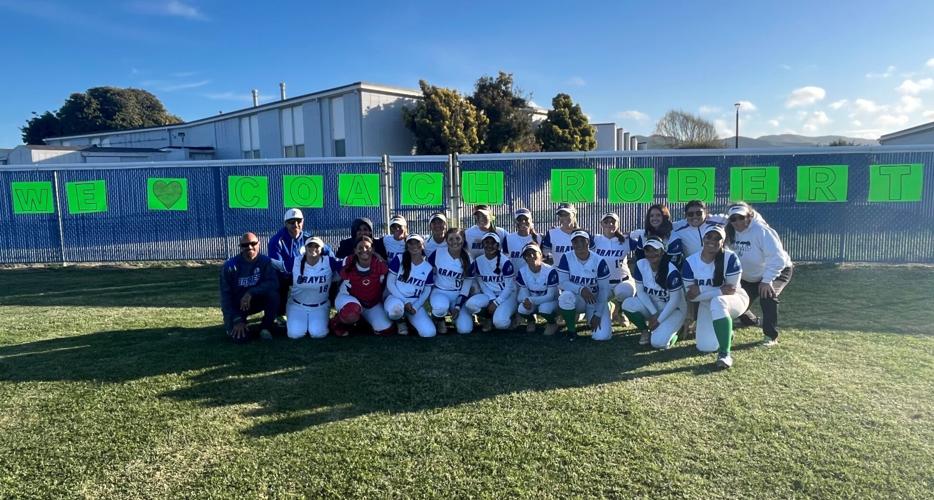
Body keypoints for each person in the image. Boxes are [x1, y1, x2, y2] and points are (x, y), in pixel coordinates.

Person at [725, 201, 794, 347]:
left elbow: (778, 259)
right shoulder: (728, 231)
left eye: (741, 217)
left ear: (749, 217)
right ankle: (751, 321)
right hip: (748, 276)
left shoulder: (762, 231)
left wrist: (767, 280)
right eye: (733, 219)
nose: (738, 222)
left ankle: (770, 336)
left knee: (767, 296)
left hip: (775, 272)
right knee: (736, 301)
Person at [682, 225, 750, 369]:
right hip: (707, 303)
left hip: (735, 300)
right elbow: (691, 297)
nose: (712, 241)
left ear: (722, 242)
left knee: (719, 302)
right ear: (703, 239)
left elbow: (730, 291)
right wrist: (717, 290)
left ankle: (725, 354)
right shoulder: (690, 262)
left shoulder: (730, 258)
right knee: (705, 347)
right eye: (709, 237)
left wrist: (701, 289)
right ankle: (727, 331)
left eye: (717, 238)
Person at [621, 237, 686, 348]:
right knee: (628, 304)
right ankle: (644, 331)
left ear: (662, 252)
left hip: (674, 310)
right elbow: (641, 292)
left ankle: (677, 331)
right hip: (655, 307)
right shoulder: (641, 265)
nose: (651, 254)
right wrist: (654, 313)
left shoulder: (671, 271)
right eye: (648, 250)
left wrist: (659, 320)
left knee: (658, 343)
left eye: (655, 250)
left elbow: (675, 301)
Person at [220, 232, 280, 343]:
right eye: (245, 245)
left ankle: (266, 326)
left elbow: (273, 283)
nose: (250, 247)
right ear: (240, 247)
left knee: (273, 294)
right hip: (238, 305)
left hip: (257, 300)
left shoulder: (265, 262)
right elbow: (226, 298)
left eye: (253, 243)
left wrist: (251, 292)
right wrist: (236, 320)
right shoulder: (230, 267)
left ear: (259, 244)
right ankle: (245, 326)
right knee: (240, 338)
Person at [332, 236, 394, 337]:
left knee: (386, 329)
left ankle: (362, 321)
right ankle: (338, 322)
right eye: (360, 248)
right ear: (355, 250)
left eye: (367, 247)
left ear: (373, 249)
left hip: (371, 303)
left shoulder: (380, 264)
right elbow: (331, 266)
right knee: (352, 312)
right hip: (349, 299)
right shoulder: (348, 262)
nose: (364, 250)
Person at [556, 230, 612, 341]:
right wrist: (580, 289)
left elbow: (604, 289)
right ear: (572, 244)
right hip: (577, 298)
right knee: (565, 297)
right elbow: (562, 282)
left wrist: (598, 314)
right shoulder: (566, 257)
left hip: (595, 299)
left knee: (602, 336)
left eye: (583, 241)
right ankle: (571, 331)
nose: (579, 244)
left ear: (588, 242)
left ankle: (607, 307)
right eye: (575, 242)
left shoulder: (599, 261)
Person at [286, 237, 343, 339]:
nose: (313, 248)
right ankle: (302, 322)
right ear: (305, 248)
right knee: (295, 334)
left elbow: (346, 264)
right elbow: (278, 265)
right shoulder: (295, 261)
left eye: (316, 246)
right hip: (297, 305)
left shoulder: (329, 261)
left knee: (318, 334)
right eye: (310, 245)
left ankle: (331, 322)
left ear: (322, 249)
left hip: (320, 305)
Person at [384, 234, 436, 337]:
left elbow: (426, 290)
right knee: (396, 311)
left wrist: (416, 307)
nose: (414, 246)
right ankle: (400, 320)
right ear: (406, 246)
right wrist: (405, 301)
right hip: (396, 298)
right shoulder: (399, 259)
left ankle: (410, 321)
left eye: (417, 243)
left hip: (414, 303)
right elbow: (390, 283)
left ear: (423, 246)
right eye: (410, 243)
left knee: (429, 333)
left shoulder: (428, 267)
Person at [465, 232, 517, 332]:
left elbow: (509, 287)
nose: (489, 245)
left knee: (500, 323)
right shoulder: (478, 261)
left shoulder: (505, 262)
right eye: (487, 242)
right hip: (489, 294)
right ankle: (488, 318)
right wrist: (492, 299)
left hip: (507, 295)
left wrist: (496, 302)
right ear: (482, 244)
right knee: (470, 305)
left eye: (493, 243)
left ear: (498, 245)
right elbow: (482, 283)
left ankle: (511, 315)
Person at [592, 212, 637, 327]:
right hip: (603, 283)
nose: (610, 224)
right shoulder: (596, 240)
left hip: (622, 281)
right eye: (606, 222)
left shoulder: (625, 240)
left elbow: (643, 245)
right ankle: (610, 306)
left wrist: (634, 233)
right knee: (596, 319)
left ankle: (621, 311)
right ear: (601, 224)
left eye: (613, 221)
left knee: (625, 292)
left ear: (618, 224)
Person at [427, 228, 475, 334]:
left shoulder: (469, 259)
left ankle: (459, 316)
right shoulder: (438, 253)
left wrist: (457, 307)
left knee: (465, 329)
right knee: (440, 308)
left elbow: (466, 288)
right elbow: (427, 272)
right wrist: (429, 291)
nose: (454, 242)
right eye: (451, 239)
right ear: (446, 240)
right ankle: (439, 319)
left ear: (463, 239)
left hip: (458, 294)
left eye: (458, 238)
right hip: (440, 291)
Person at [268, 208, 311, 325]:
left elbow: (322, 252)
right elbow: (277, 265)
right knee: (279, 281)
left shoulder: (308, 238)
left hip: (303, 272)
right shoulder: (276, 241)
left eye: (299, 221)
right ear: (285, 224)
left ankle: (311, 308)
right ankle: (280, 313)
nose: (295, 225)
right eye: (291, 222)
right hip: (284, 274)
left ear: (303, 221)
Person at [516, 242, 560, 334]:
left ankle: (552, 323)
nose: (531, 256)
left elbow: (551, 296)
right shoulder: (522, 271)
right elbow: (522, 295)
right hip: (534, 302)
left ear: (540, 254)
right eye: (527, 254)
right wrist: (526, 301)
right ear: (524, 258)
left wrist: (531, 300)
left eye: (534, 253)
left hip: (551, 302)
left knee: (544, 308)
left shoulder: (550, 271)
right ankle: (531, 321)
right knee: (521, 308)